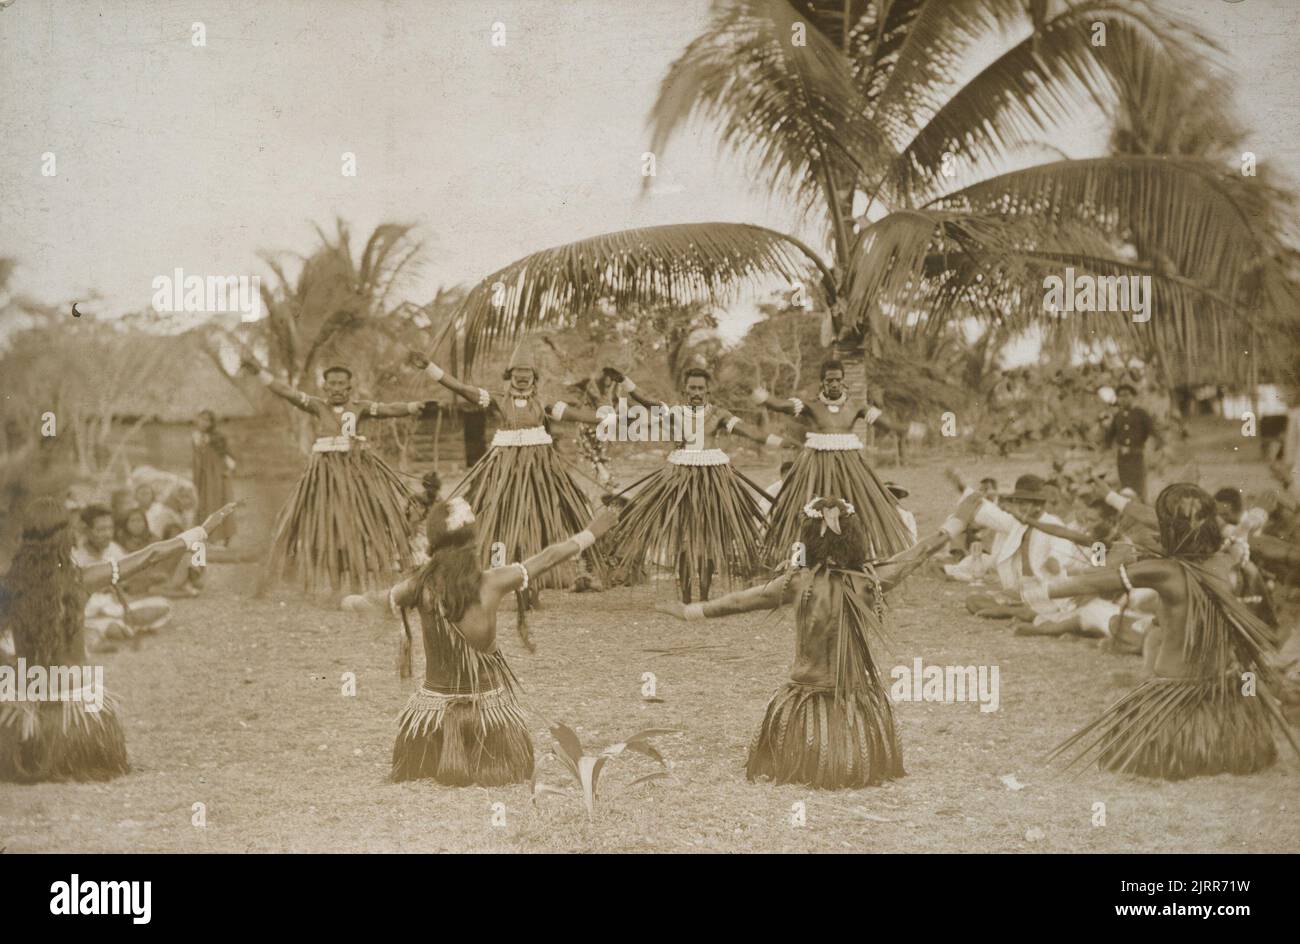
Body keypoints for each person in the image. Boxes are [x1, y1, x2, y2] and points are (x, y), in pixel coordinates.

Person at [656, 494, 977, 788]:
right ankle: (843, 764)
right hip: (849, 693)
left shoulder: (798, 582)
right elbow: (917, 553)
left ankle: (811, 763)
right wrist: (956, 521)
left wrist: (690, 611)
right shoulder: (867, 581)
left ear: (808, 539)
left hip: (806, 691)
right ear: (854, 537)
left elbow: (739, 601)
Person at [1025, 483, 1298, 779]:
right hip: (1221, 687)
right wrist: (1254, 519)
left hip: (1176, 693)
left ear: (1169, 530)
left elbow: (1092, 584)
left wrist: (1039, 592)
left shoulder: (1164, 570)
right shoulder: (1222, 561)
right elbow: (1239, 541)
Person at [367, 497, 623, 786]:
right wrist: (591, 532)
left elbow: (376, 601)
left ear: (434, 544)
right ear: (472, 544)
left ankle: (442, 760)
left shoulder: (417, 585)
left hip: (430, 720)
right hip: (490, 719)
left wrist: (350, 602)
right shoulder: (494, 581)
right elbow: (550, 557)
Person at [0, 497, 236, 782]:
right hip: (80, 719)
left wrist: (11, 669)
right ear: (64, 537)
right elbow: (150, 556)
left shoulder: (9, 587)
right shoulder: (81, 579)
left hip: (28, 722)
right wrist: (200, 531)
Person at [409, 341, 611, 644]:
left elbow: (574, 414)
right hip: (503, 472)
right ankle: (509, 586)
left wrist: (610, 419)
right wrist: (430, 368)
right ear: (509, 375)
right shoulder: (498, 400)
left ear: (534, 376)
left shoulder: (543, 404)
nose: (522, 377)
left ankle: (534, 590)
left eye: (527, 372)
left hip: (540, 473)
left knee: (540, 524)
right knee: (504, 524)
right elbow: (462, 388)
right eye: (517, 373)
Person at [242, 353, 431, 595]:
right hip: (324, 476)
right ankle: (330, 585)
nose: (336, 388)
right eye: (332, 384)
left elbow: (387, 409)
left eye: (341, 383)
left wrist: (412, 407)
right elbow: (287, 392)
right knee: (327, 525)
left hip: (356, 475)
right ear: (325, 386)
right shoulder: (317, 405)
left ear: (350, 386)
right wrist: (260, 372)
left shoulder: (361, 407)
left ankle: (358, 582)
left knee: (359, 523)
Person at [604, 365, 789, 603]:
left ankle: (703, 595)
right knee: (684, 537)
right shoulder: (675, 412)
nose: (697, 392)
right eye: (692, 387)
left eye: (701, 388)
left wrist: (778, 441)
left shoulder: (718, 414)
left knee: (709, 537)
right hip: (681, 479)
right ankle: (685, 597)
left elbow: (746, 431)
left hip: (714, 479)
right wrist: (625, 382)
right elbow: (648, 401)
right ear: (684, 389)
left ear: (708, 390)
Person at [753, 359, 912, 562]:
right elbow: (783, 406)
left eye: (838, 379)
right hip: (816, 466)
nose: (834, 384)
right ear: (823, 383)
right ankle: (802, 557)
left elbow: (884, 422)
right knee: (808, 509)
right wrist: (765, 398)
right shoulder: (812, 405)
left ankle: (859, 556)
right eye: (830, 380)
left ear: (843, 381)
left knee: (858, 508)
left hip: (850, 467)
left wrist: (905, 429)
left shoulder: (856, 406)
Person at [961, 475, 1087, 621]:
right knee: (973, 600)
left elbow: (1062, 549)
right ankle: (1013, 609)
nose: (1020, 508)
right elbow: (989, 513)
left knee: (1038, 605)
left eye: (1025, 503)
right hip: (1021, 589)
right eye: (1018, 503)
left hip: (1047, 590)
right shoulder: (1018, 523)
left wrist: (1054, 561)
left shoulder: (1053, 524)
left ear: (1038, 504)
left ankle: (1013, 611)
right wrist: (961, 486)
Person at [72, 505, 175, 639]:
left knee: (164, 605)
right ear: (87, 530)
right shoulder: (74, 554)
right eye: (101, 529)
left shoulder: (114, 550)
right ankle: (113, 626)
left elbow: (125, 582)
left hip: (113, 606)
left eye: (110, 528)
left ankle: (112, 626)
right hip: (86, 608)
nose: (108, 534)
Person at [1104, 383, 1162, 501]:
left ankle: (1141, 508)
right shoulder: (1117, 416)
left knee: (1138, 486)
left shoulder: (1141, 413)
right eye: (1120, 396)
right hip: (1122, 458)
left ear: (1133, 396)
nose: (1123, 399)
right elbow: (1109, 436)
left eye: (1126, 395)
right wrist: (1104, 448)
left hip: (1136, 455)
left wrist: (1159, 444)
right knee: (1125, 487)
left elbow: (1153, 430)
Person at [192, 409, 236, 546]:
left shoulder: (218, 437)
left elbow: (227, 456)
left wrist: (227, 469)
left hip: (217, 475)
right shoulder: (195, 437)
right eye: (201, 419)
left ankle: (226, 538)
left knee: (221, 502)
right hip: (202, 475)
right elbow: (196, 457)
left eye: (207, 420)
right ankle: (206, 538)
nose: (204, 423)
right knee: (203, 503)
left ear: (212, 423)